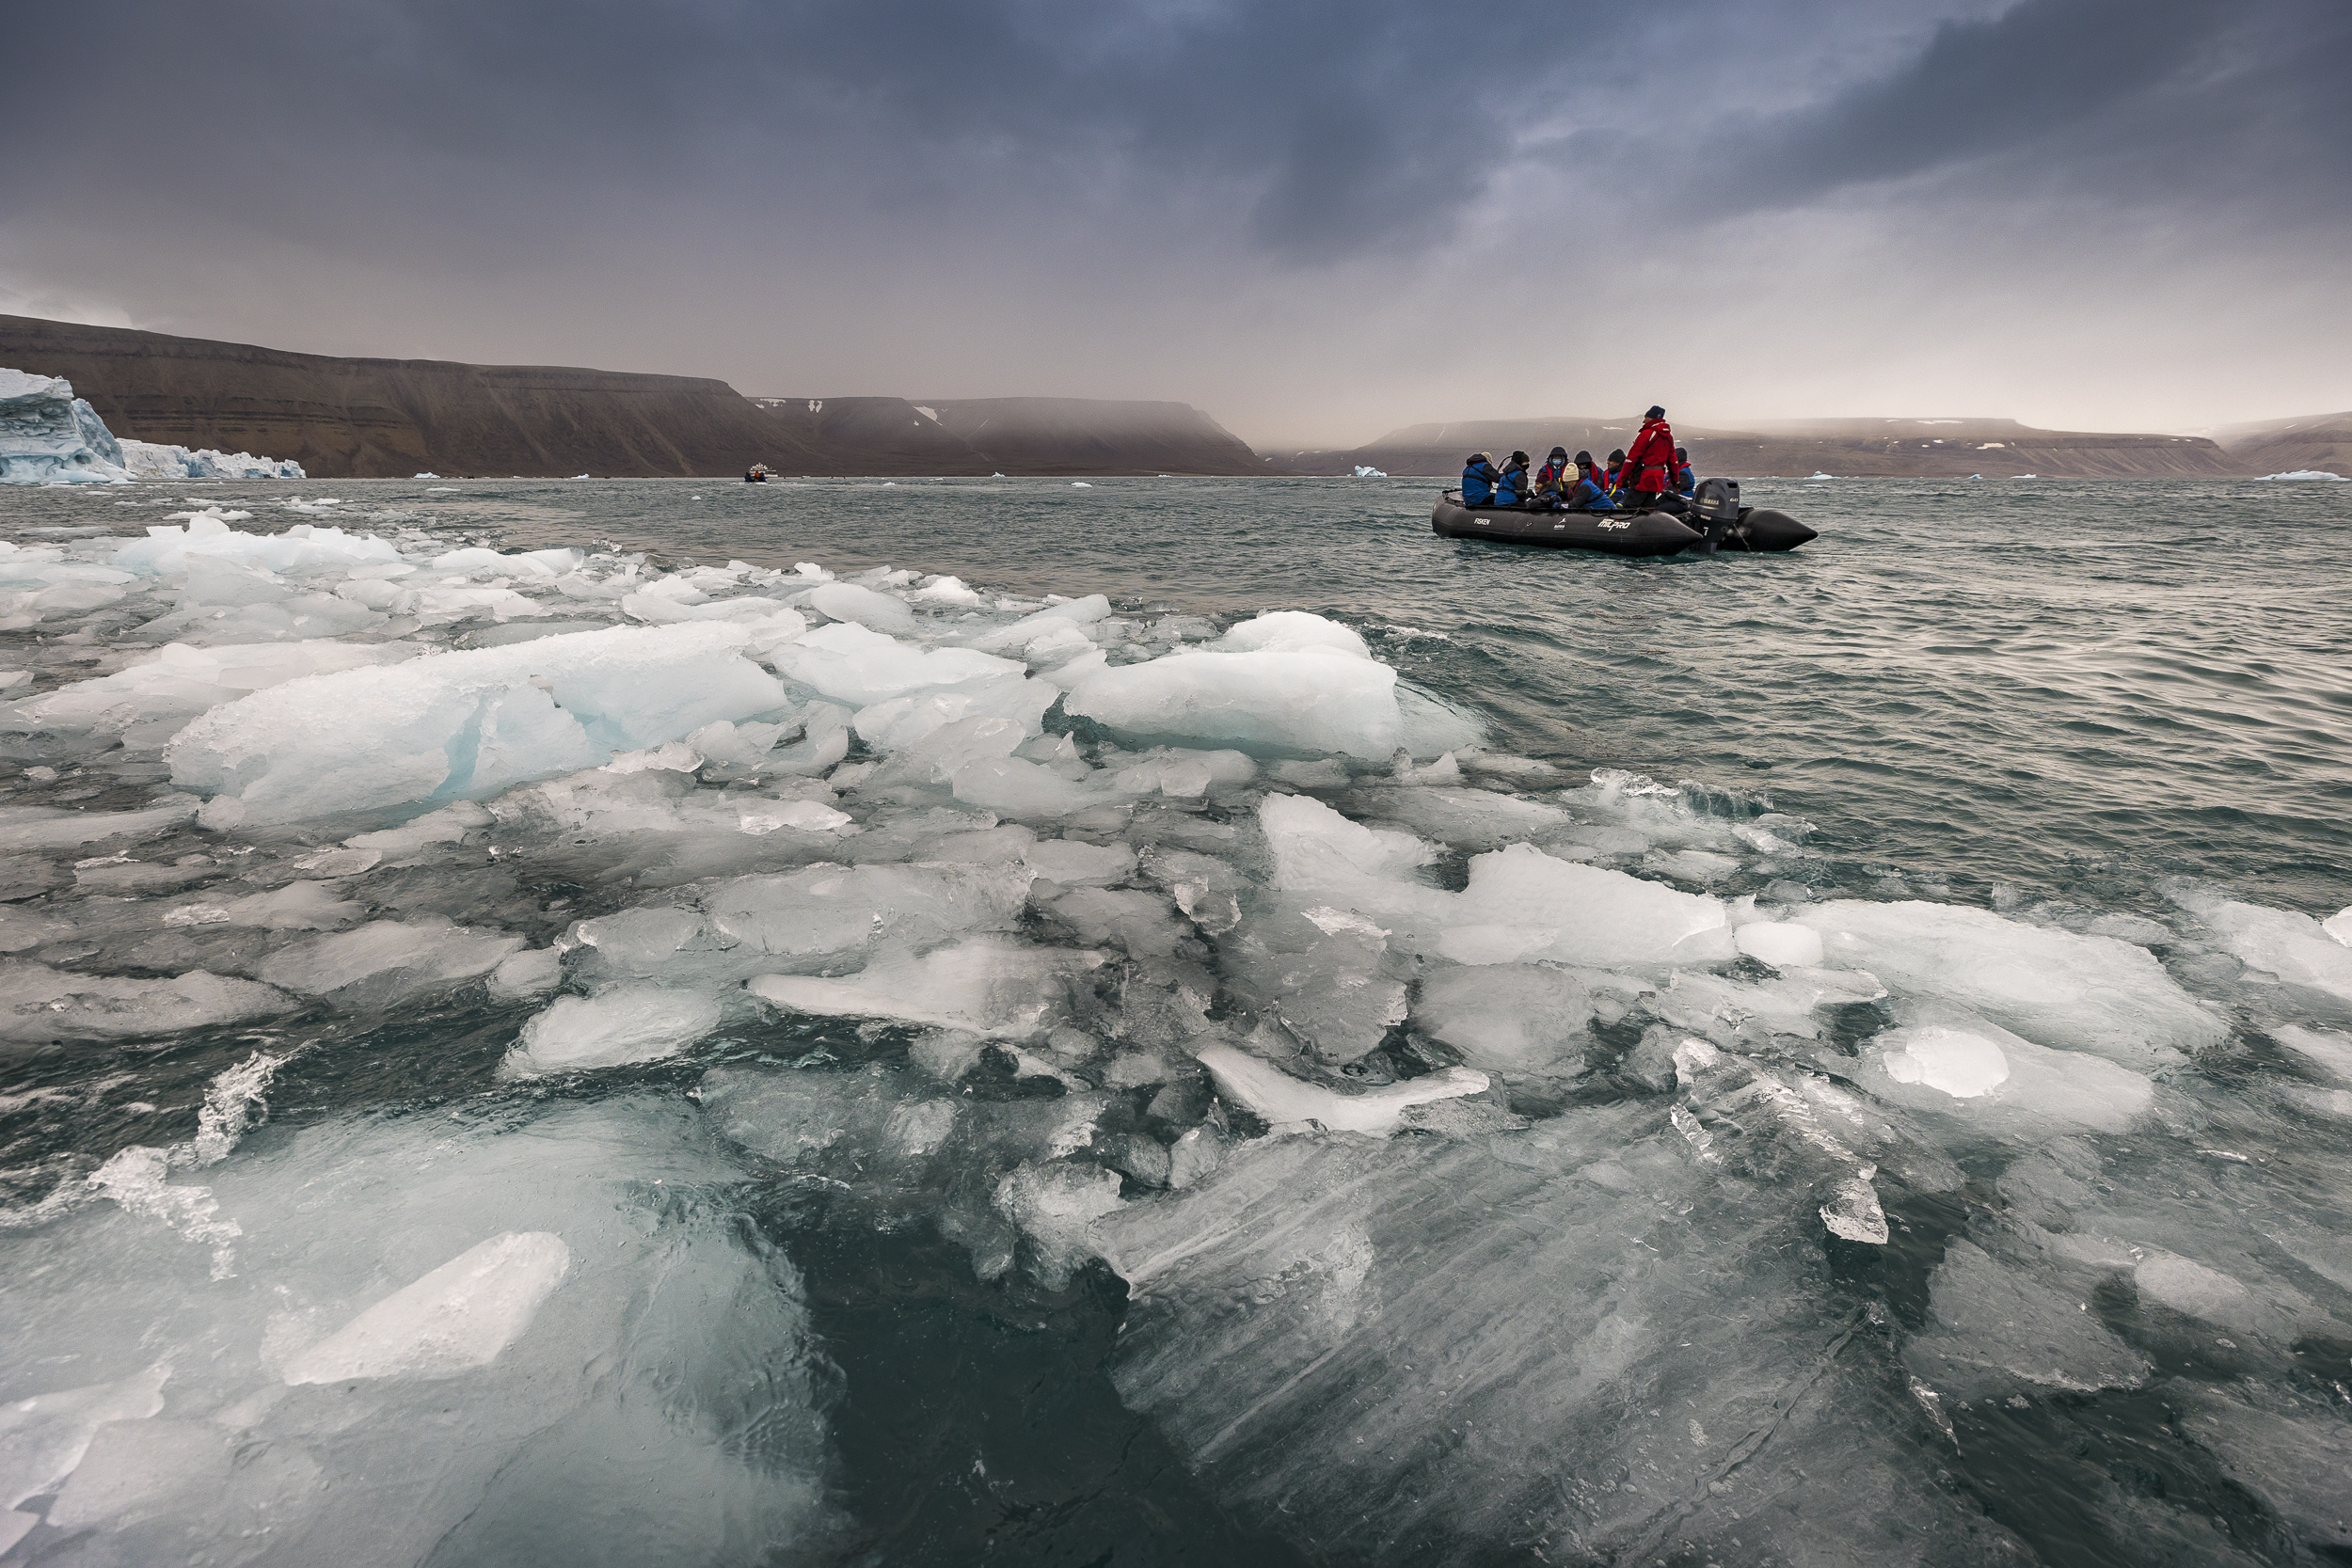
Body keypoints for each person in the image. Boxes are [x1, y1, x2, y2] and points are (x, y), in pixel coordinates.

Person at [1625, 405, 1677, 508]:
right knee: (1649, 505)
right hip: (1657, 477)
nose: (1644, 421)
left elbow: (1631, 458)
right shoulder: (1668, 437)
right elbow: (1673, 461)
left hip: (1643, 476)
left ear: (1651, 419)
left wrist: (1623, 476)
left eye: (1646, 418)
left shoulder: (1647, 434)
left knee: (1630, 506)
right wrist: (1675, 479)